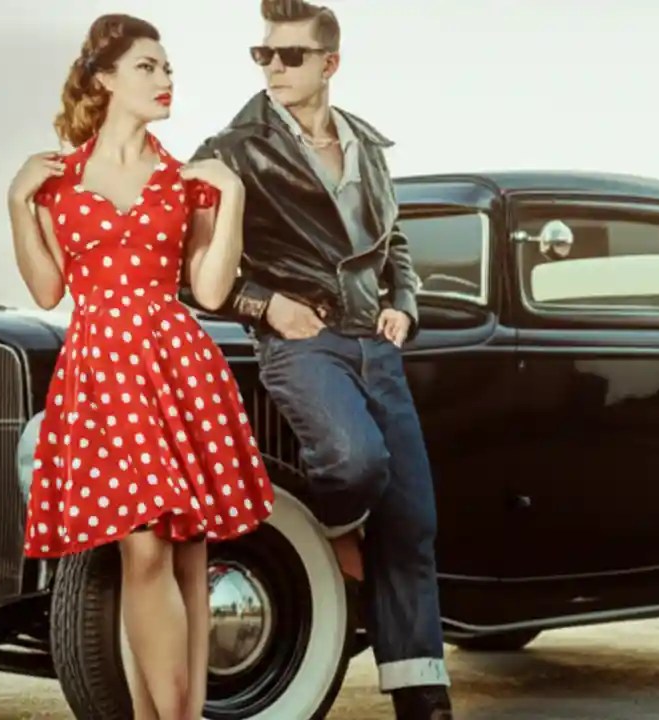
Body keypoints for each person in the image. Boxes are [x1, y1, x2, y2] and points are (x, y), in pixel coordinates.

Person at [6, 13, 274, 720]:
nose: (166, 80)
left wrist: (233, 195)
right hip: (100, 370)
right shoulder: (57, 180)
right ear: (104, 79)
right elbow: (46, 291)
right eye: (148, 68)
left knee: (184, 557)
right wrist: (16, 204)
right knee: (145, 552)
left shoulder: (186, 180)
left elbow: (212, 291)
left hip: (174, 361)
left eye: (168, 69)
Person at [190, 2, 452, 718]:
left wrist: (405, 302)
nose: (273, 66)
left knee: (411, 523)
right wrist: (265, 306)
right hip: (302, 344)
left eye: (290, 55)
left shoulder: (368, 145)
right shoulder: (232, 147)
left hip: (378, 344)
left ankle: (423, 700)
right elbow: (186, 266)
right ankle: (327, 540)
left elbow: (394, 245)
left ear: (329, 63)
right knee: (357, 461)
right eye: (263, 54)